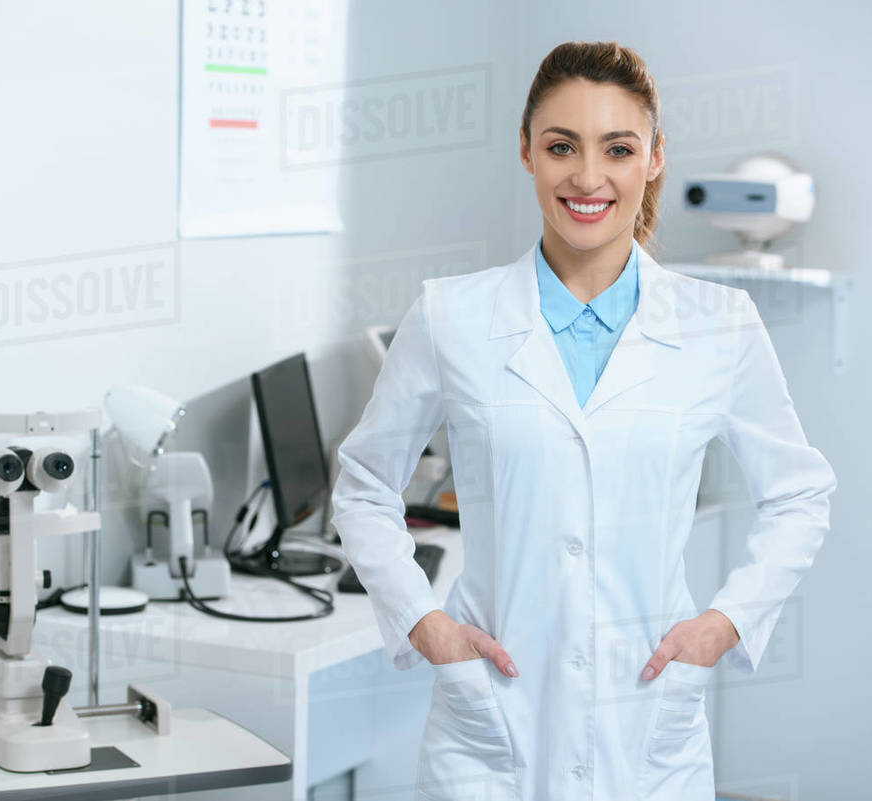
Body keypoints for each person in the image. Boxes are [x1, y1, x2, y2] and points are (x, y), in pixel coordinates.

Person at [329, 40, 837, 801]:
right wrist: (424, 624)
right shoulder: (451, 316)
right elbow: (365, 485)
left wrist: (723, 623)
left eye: (619, 148)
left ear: (655, 158)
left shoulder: (719, 326)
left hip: (647, 723)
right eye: (562, 146)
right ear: (527, 153)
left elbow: (800, 494)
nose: (589, 177)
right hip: (491, 724)